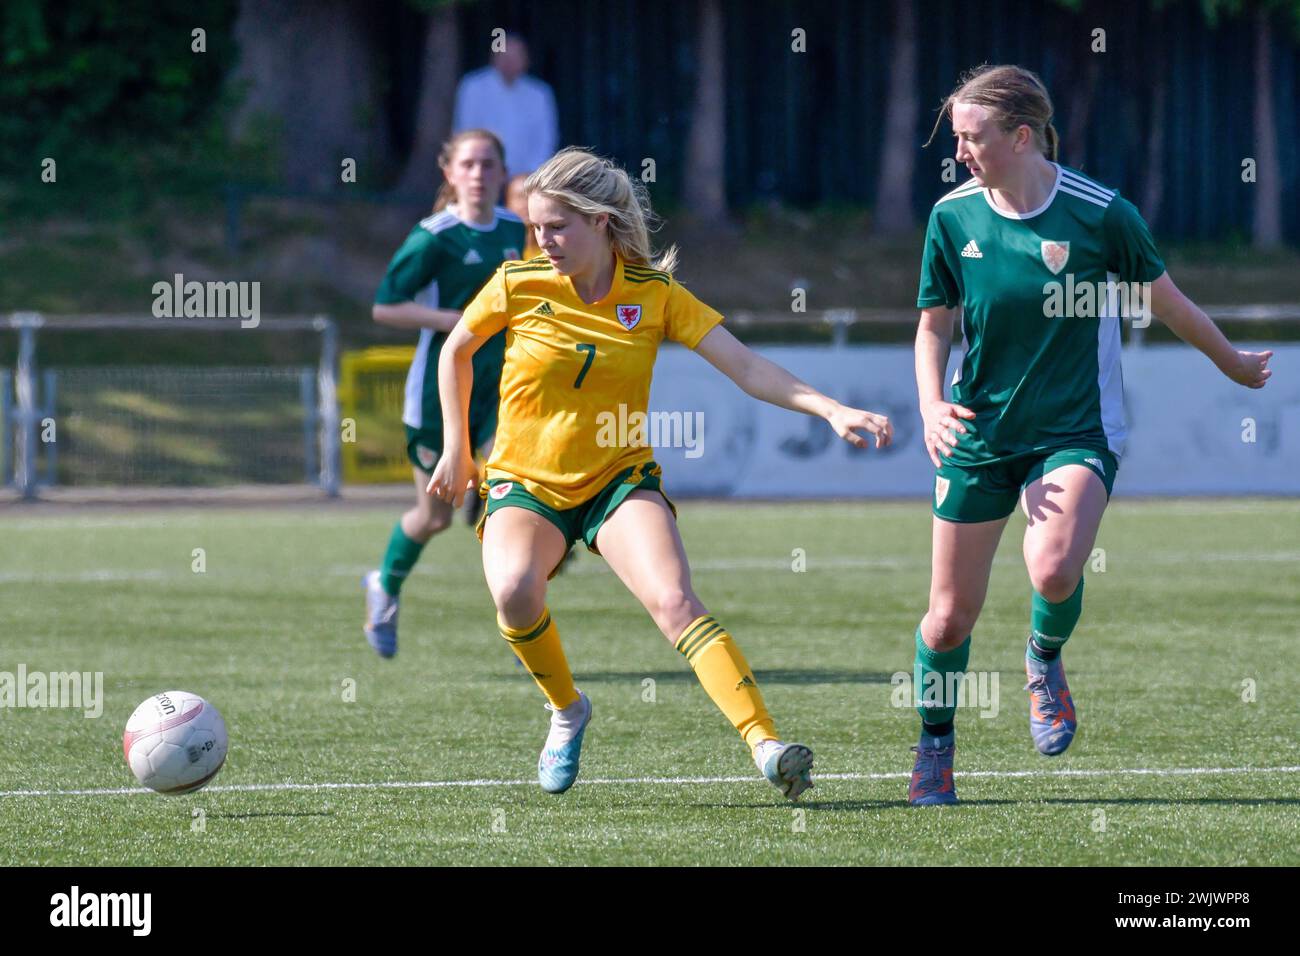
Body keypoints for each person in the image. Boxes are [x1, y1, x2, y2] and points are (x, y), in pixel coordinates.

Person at [427, 147, 893, 797]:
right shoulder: (518, 283)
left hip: (618, 479)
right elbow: (456, 352)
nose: (544, 241)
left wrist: (829, 407)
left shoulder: (654, 295)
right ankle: (567, 710)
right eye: (536, 227)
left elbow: (748, 367)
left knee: (675, 602)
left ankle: (767, 745)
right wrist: (458, 450)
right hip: (525, 483)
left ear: (599, 222)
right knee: (513, 592)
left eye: (557, 226)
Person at [907, 64, 1273, 805]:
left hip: (1075, 429)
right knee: (946, 620)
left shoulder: (1101, 214)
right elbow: (932, 327)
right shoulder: (952, 217)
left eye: (973, 138)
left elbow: (1165, 303)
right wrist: (929, 406)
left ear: (1021, 135)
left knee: (1053, 568)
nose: (961, 152)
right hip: (977, 433)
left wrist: (1230, 361)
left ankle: (1043, 659)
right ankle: (935, 747)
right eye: (957, 138)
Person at [362, 129, 525, 658]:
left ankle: (525, 592)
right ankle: (384, 586)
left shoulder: (517, 229)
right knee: (435, 516)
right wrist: (456, 321)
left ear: (502, 173)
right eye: (469, 165)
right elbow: (386, 306)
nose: (479, 174)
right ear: (449, 172)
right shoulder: (434, 236)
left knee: (512, 485)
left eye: (488, 165)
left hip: (501, 386)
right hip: (440, 392)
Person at [453, 33, 558, 178]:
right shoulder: (473, 87)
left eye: (515, 57)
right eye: (504, 56)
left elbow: (545, 139)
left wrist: (531, 173)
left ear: (526, 60)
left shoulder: (539, 94)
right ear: (493, 57)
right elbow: (466, 132)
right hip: (483, 176)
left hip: (525, 180)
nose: (509, 62)